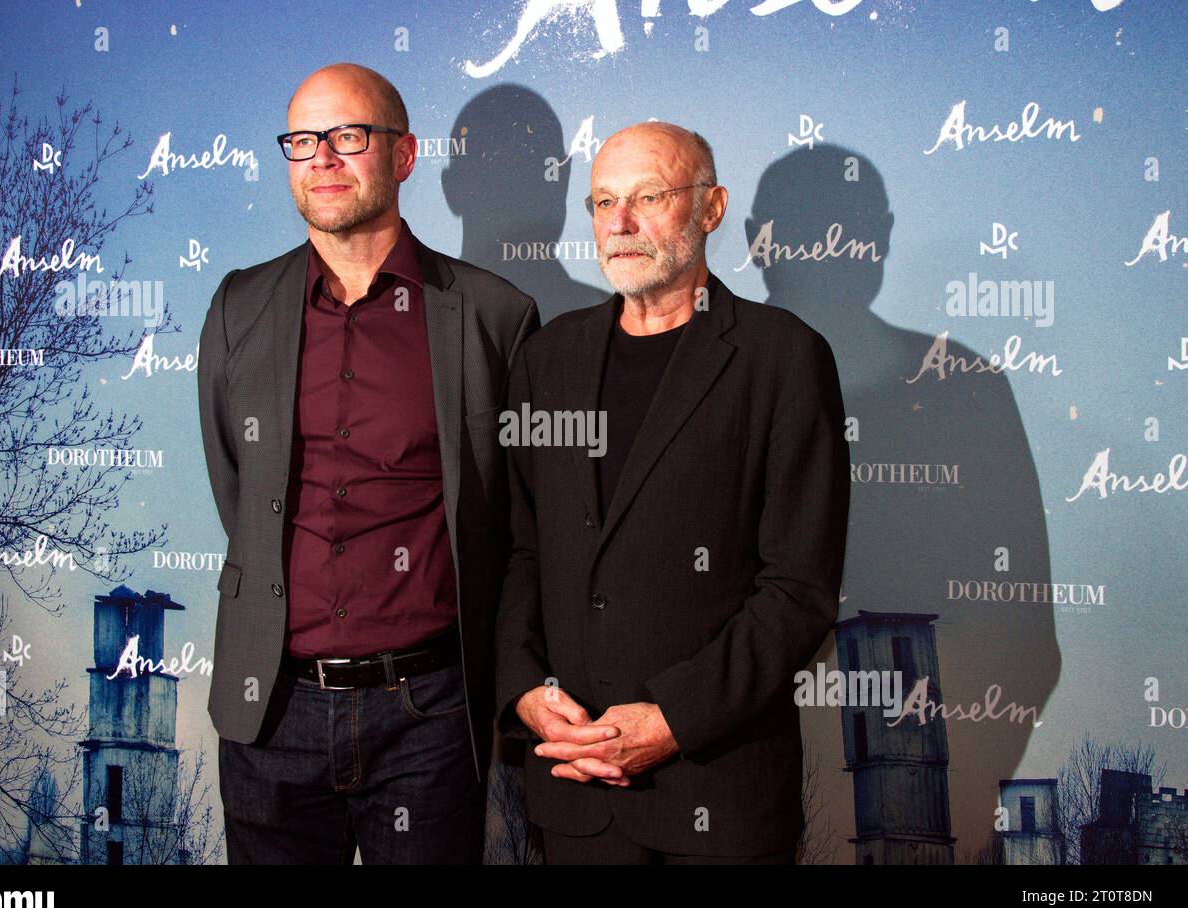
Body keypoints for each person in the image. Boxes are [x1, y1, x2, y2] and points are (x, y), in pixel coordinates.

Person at [197, 63, 537, 863]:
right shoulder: (238, 308)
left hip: (428, 716)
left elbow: (515, 524)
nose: (323, 158)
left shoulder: (493, 315)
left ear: (405, 156)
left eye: (349, 136)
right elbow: (238, 487)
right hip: (268, 710)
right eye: (303, 140)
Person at [495, 121, 850, 863]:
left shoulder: (783, 358)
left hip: (718, 800)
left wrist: (671, 720)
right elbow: (520, 550)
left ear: (712, 208)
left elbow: (798, 590)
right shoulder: (547, 361)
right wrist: (526, 690)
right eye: (601, 202)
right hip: (573, 791)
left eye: (647, 196)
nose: (619, 224)